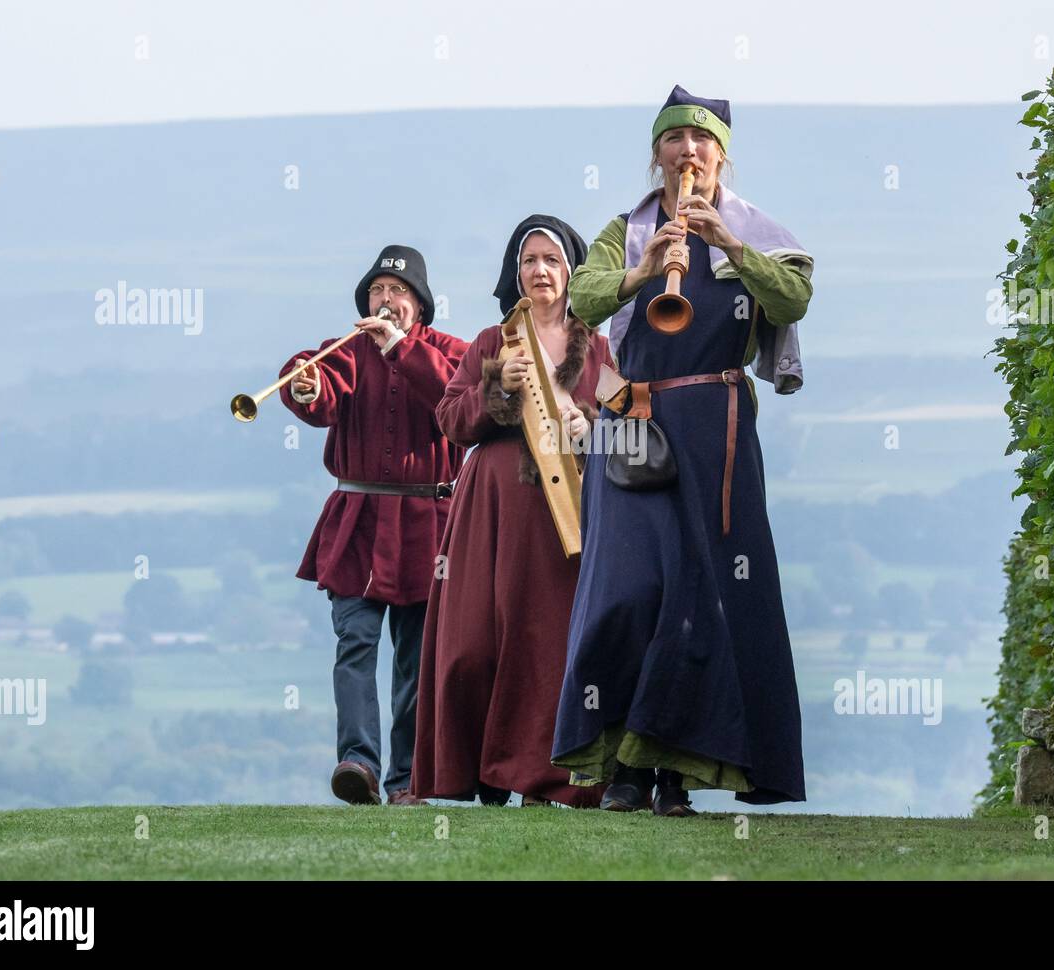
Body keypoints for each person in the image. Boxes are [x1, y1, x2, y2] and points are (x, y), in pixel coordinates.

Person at [551, 85, 815, 816]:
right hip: (632, 417)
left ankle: (668, 776)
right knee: (626, 591)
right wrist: (647, 269)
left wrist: (726, 243)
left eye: (701, 142)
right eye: (675, 141)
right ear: (657, 153)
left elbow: (793, 300)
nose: (688, 153)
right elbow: (586, 299)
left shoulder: (753, 227)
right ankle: (620, 763)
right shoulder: (626, 229)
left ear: (721, 156)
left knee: (702, 598)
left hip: (714, 423)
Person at [411, 215, 613, 808]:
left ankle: (541, 778)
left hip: (565, 521)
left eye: (552, 260)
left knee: (545, 646)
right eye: (530, 261)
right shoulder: (490, 343)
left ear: (572, 272)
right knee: (473, 643)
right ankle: (481, 773)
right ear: (515, 272)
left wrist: (592, 427)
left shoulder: (600, 349)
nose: (540, 271)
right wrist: (494, 387)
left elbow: (630, 430)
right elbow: (450, 420)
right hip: (489, 509)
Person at [280, 244, 468, 806]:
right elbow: (310, 381)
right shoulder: (349, 350)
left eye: (399, 294)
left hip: (426, 523)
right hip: (357, 520)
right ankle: (358, 762)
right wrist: (304, 386)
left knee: (415, 656)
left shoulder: (450, 352)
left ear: (420, 306)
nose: (386, 302)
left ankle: (407, 781)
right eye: (378, 292)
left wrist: (402, 351)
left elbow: (458, 399)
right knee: (355, 642)